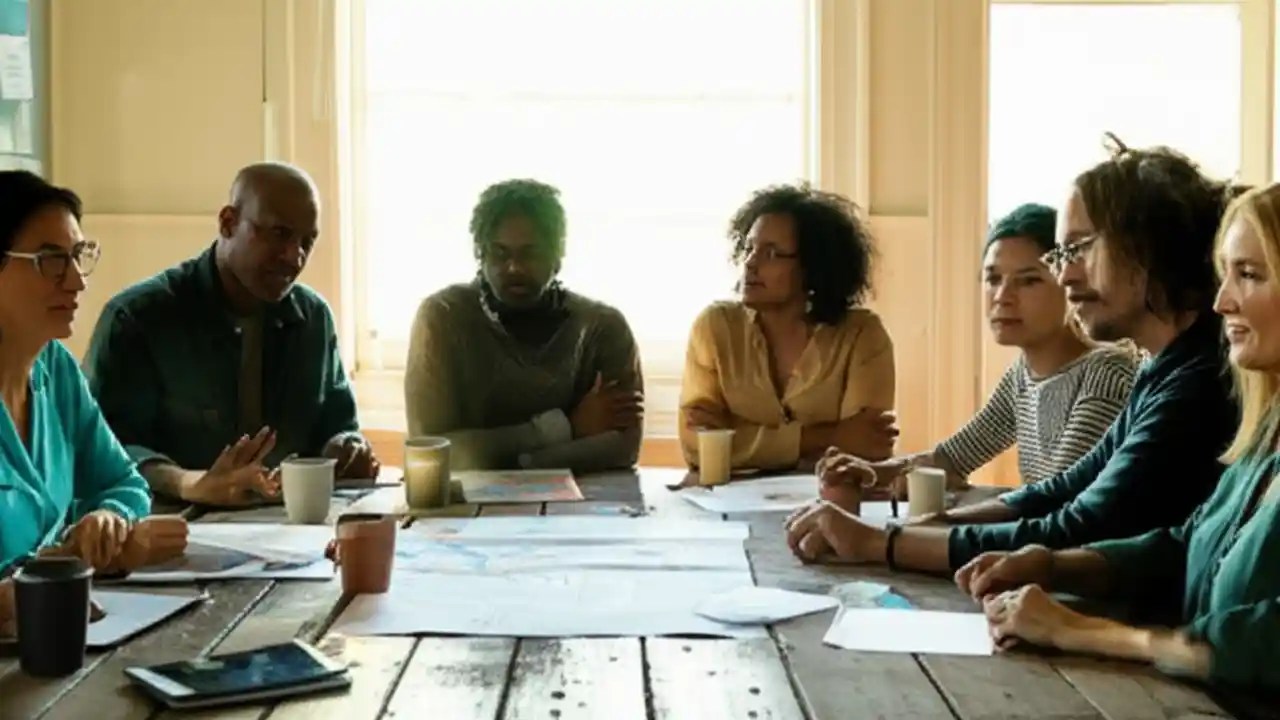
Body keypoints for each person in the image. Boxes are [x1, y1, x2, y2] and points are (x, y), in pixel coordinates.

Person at [786, 137, 1239, 572]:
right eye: (1062, 255)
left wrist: (880, 542)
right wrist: (929, 525)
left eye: (1077, 249)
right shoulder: (1163, 367)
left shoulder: (1196, 382)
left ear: (1148, 245)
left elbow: (1078, 525)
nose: (1065, 277)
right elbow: (1061, 489)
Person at [959, 183, 1280, 691]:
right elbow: (1184, 545)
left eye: (1249, 275)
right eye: (1226, 274)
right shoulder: (1266, 433)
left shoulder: (1181, 382)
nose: (1222, 302)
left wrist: (1082, 630)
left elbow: (1261, 640)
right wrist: (1055, 565)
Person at [83, 162, 380, 508]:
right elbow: (104, 451)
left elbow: (337, 423)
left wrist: (346, 447)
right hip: (172, 527)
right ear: (228, 223)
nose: (295, 257)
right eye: (280, 234)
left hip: (291, 529)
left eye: (307, 241)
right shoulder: (138, 319)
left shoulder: (312, 319)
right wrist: (190, 483)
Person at [859, 203, 1137, 495]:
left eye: (1029, 281)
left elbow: (1056, 497)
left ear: (1069, 281)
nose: (1003, 297)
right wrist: (868, 472)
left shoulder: (1106, 372)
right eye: (993, 279)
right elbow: (952, 458)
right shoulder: (1022, 375)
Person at [405, 179, 643, 472]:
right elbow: (431, 456)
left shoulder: (601, 328)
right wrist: (563, 428)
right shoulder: (443, 317)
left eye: (530, 253)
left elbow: (623, 449)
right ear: (480, 254)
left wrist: (512, 459)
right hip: (468, 510)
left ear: (558, 256)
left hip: (582, 509)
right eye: (501, 253)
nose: (514, 268)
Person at [679, 183, 896, 473]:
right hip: (728, 507)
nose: (750, 263)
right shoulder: (715, 328)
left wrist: (738, 437)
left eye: (771, 253)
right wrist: (825, 436)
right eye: (749, 248)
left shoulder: (862, 336)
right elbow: (698, 447)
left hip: (828, 506)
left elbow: (863, 452)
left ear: (813, 267)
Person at [0, 171, 153, 572]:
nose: (76, 281)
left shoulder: (56, 368)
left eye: (78, 257)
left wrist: (109, 517)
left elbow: (123, 482)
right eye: (50, 261)